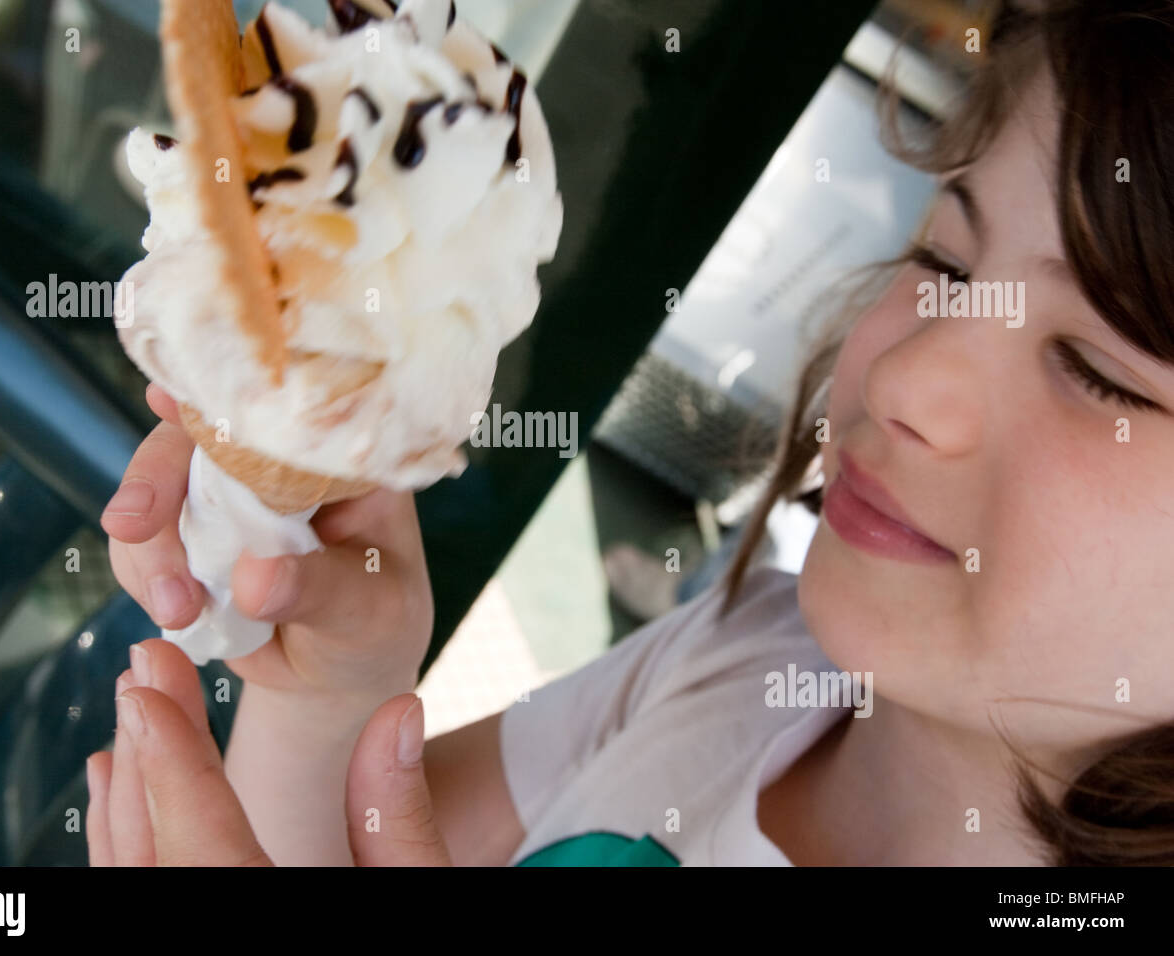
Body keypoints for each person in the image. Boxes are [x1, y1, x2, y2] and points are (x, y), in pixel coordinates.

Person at [86, 0, 1174, 866]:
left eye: (1099, 375)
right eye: (942, 259)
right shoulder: (744, 653)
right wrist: (328, 695)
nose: (906, 376)